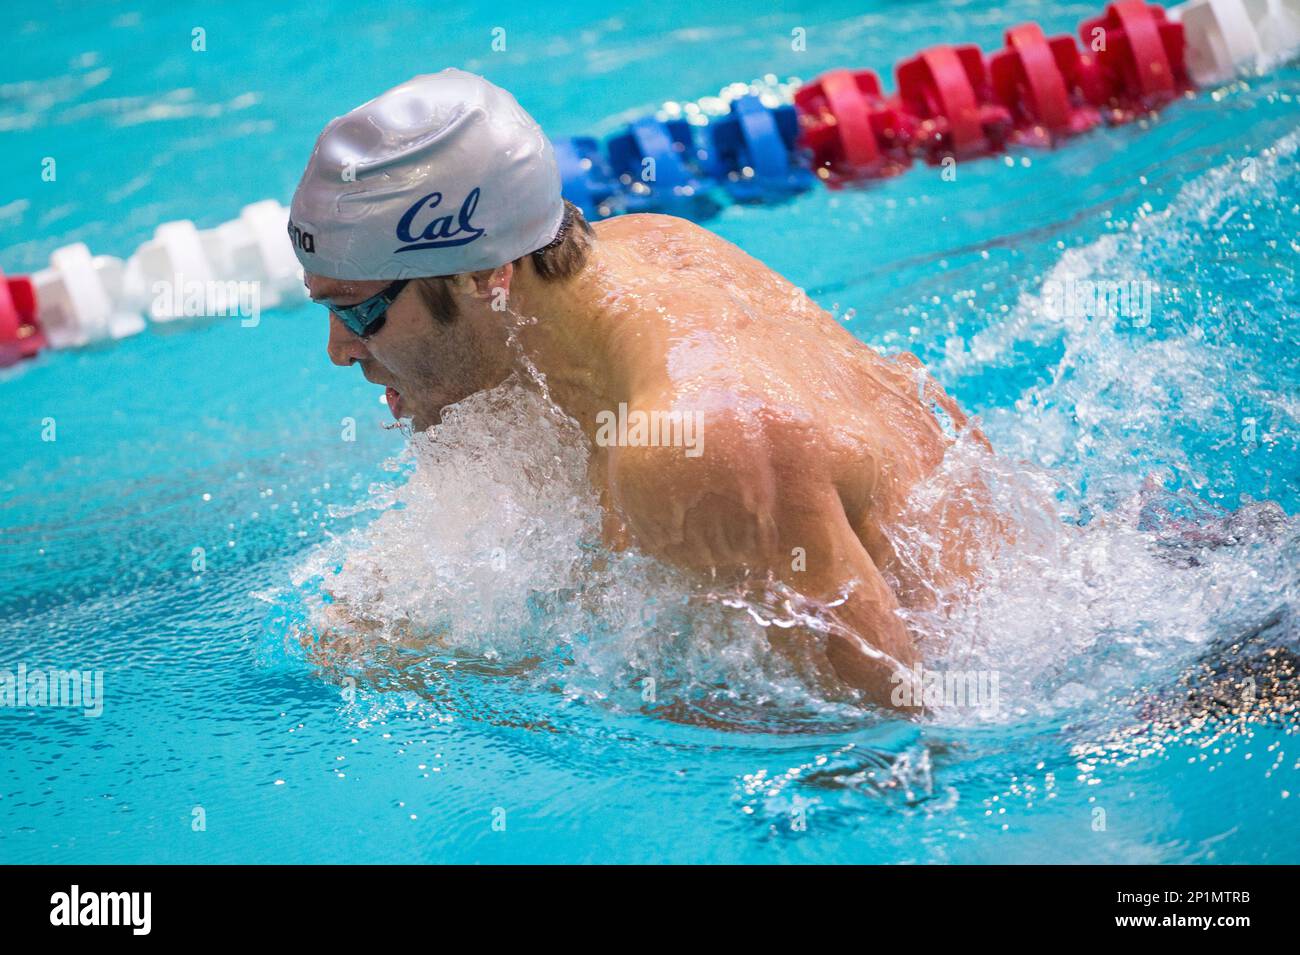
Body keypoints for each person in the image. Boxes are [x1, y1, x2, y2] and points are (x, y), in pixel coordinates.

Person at [289, 69, 996, 706]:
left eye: (359, 311)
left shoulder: (694, 444)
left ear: (482, 277)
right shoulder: (647, 247)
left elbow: (896, 731)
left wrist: (459, 674)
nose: (339, 351)